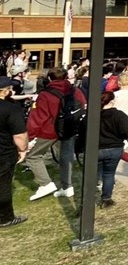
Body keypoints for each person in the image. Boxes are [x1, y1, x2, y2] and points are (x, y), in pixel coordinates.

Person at [23, 67, 86, 200]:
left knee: (33, 156)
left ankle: (45, 183)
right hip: (69, 128)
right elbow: (83, 106)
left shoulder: (45, 95)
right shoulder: (75, 91)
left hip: (49, 131)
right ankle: (67, 186)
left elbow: (37, 118)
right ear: (66, 77)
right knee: (66, 157)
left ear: (50, 78)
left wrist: (30, 136)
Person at [0, 77, 29, 227]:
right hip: (4, 153)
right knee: (3, 184)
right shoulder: (11, 109)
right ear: (5, 91)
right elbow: (19, 135)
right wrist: (23, 150)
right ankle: (6, 218)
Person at [95, 91, 128, 208]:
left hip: (97, 147)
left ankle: (95, 187)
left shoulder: (94, 115)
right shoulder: (120, 116)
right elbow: (126, 132)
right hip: (114, 147)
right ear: (112, 101)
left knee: (97, 171)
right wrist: (123, 138)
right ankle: (106, 198)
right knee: (109, 174)